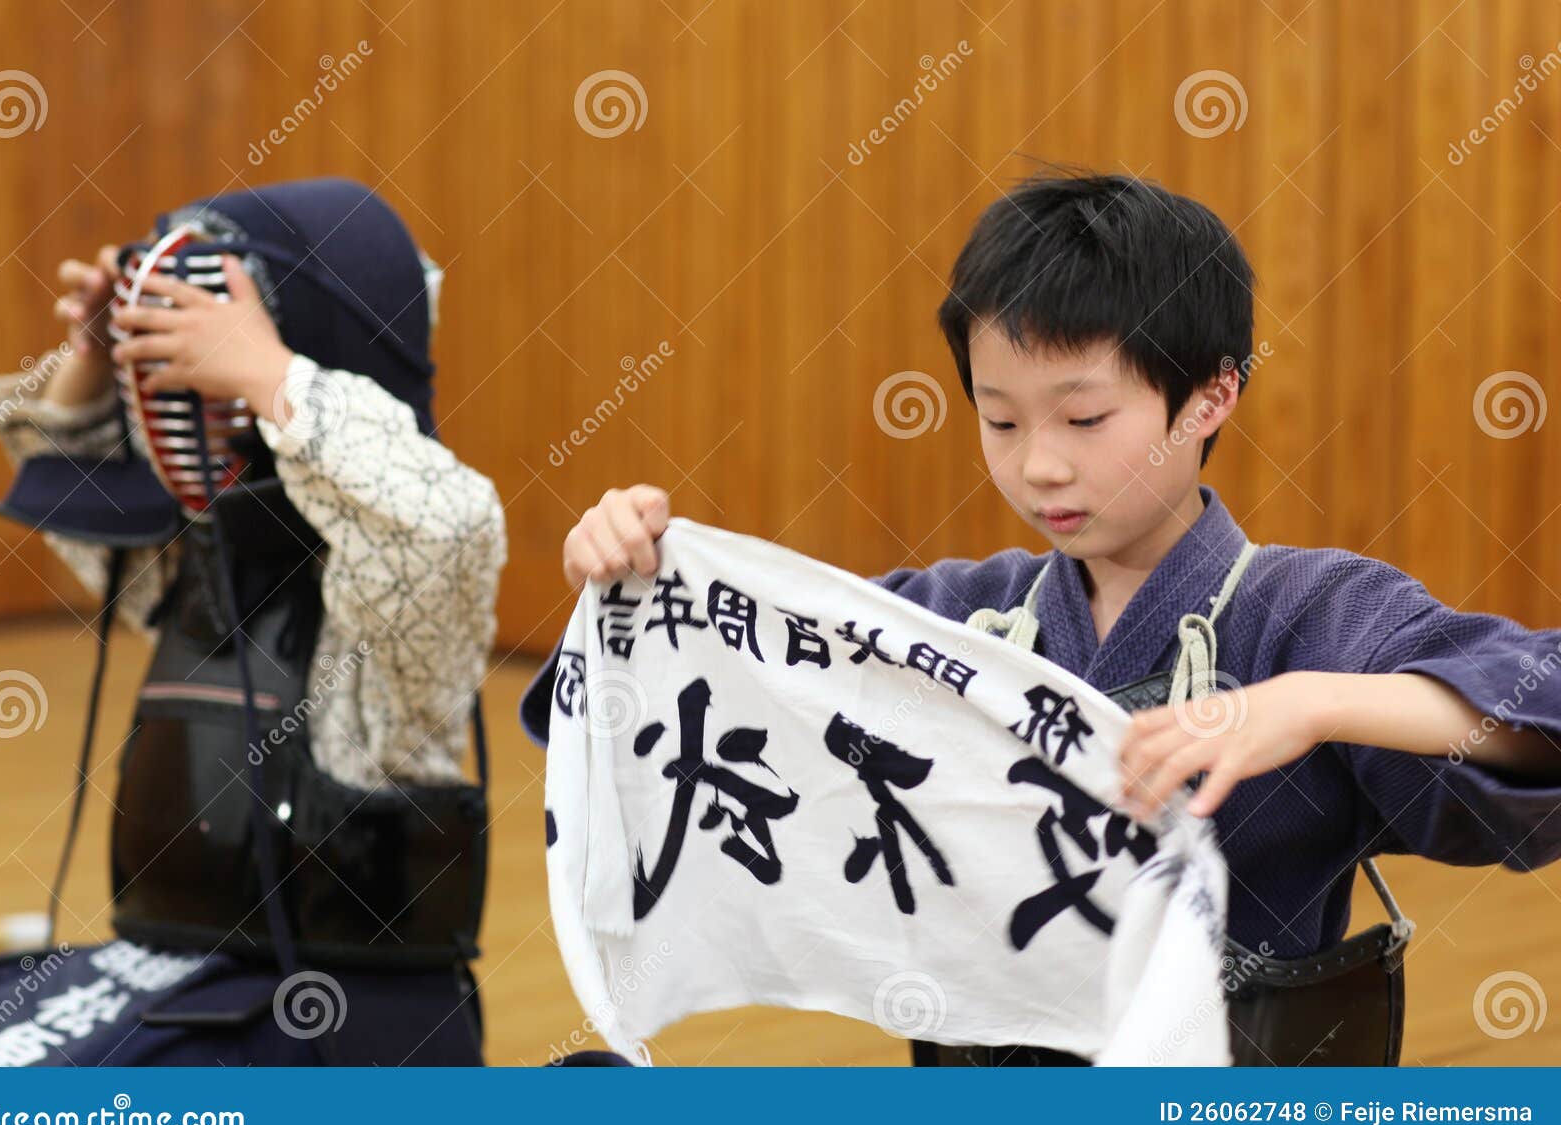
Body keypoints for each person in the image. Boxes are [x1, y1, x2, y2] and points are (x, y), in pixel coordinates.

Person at [519, 172, 1561, 1066]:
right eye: (999, 417)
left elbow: (1537, 708)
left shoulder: (1307, 614)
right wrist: (633, 577)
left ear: (1209, 397)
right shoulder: (963, 618)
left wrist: (1310, 703)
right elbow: (706, 689)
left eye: (1084, 417)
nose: (1038, 464)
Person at [0, 178, 504, 1067]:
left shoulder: (395, 619)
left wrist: (265, 371)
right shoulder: (201, 564)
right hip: (186, 980)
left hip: (339, 1019)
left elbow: (445, 522)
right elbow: (79, 493)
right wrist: (94, 357)